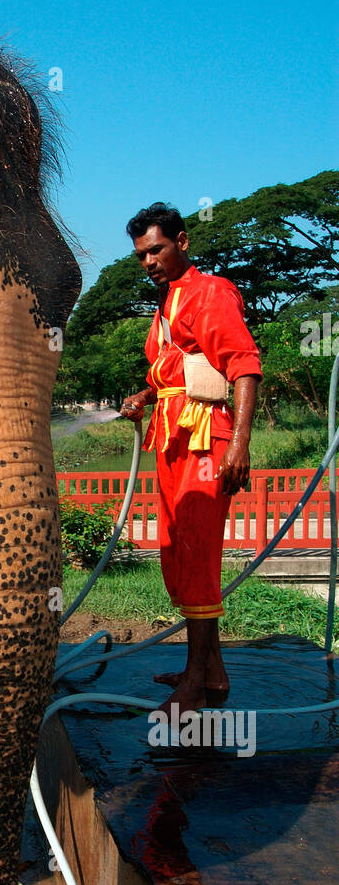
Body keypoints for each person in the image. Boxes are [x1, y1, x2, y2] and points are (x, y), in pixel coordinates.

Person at [119, 203, 262, 715]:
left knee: (199, 553)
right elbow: (174, 375)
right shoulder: (166, 303)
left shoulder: (210, 292)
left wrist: (240, 443)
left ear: (182, 241)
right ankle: (212, 672)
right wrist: (145, 396)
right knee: (178, 550)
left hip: (207, 441)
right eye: (141, 256)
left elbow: (243, 366)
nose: (149, 262)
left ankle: (195, 685)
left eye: (156, 249)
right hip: (172, 438)